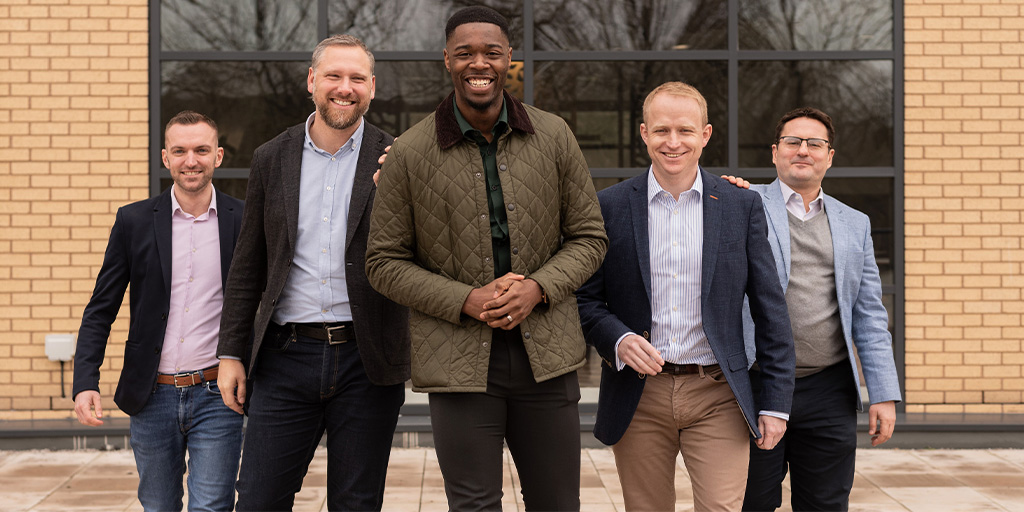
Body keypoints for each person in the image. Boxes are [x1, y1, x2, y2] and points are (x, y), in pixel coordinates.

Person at [365, 6, 607, 511]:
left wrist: (537, 288)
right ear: (446, 60)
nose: (479, 63)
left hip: (547, 356)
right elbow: (383, 262)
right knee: (474, 505)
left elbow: (589, 238)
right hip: (458, 361)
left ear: (509, 58)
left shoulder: (554, 135)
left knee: (558, 503)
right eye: (465, 53)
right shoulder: (409, 152)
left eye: (491, 52)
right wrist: (466, 300)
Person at [575, 82, 796, 511]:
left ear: (705, 134)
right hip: (639, 394)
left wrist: (775, 402)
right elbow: (584, 299)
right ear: (644, 133)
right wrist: (617, 338)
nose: (673, 142)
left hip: (718, 392)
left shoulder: (740, 206)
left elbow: (771, 310)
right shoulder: (609, 207)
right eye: (661, 130)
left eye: (685, 131)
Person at [215, 35, 409, 511]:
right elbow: (248, 264)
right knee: (258, 500)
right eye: (333, 76)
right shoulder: (270, 157)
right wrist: (231, 353)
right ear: (311, 81)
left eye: (357, 78)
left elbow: (421, 255)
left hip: (367, 360)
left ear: (372, 87)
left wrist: (405, 194)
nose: (345, 88)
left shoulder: (399, 157)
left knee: (356, 504)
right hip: (285, 356)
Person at [72, 110, 244, 512]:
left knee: (212, 506)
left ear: (218, 156)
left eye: (201, 150)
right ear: (165, 158)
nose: (191, 161)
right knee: (158, 505)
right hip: (152, 395)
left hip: (217, 393)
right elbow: (101, 309)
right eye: (180, 151)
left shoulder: (244, 218)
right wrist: (85, 381)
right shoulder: (133, 221)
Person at [740, 107, 901, 511]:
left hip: (829, 389)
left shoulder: (855, 223)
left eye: (815, 144)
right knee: (749, 501)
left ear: (829, 157)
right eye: (793, 141)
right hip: (756, 384)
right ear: (775, 152)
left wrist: (883, 393)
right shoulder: (743, 204)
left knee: (826, 504)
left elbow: (869, 315)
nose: (803, 150)